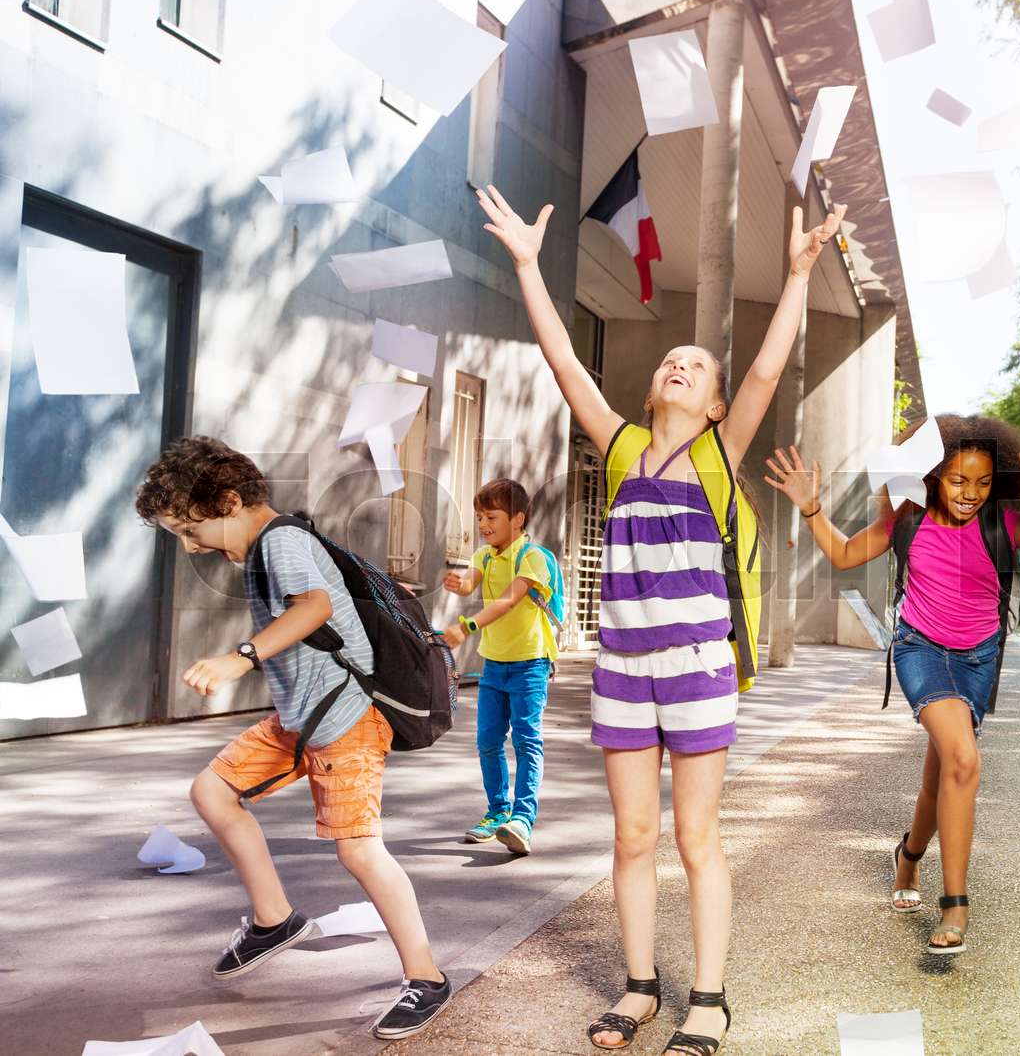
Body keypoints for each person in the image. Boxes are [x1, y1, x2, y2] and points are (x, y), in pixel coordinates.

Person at [476, 183, 844, 1055]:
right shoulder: (622, 442)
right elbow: (566, 360)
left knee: (694, 834)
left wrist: (796, 276)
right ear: (651, 390)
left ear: (714, 403)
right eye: (669, 360)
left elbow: (761, 368)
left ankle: (708, 997)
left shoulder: (718, 446)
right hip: (622, 671)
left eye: (696, 366)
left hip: (697, 669)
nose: (679, 365)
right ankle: (640, 986)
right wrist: (530, 268)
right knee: (634, 835)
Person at [133, 436, 450, 1040]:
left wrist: (239, 658)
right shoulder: (264, 546)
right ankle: (273, 920)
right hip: (301, 717)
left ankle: (427, 977)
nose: (186, 543)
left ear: (229, 501)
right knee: (213, 793)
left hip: (347, 716)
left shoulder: (282, 542)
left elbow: (313, 607)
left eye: (188, 527)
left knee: (358, 848)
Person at [764, 416, 1020, 956]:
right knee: (963, 759)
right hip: (922, 650)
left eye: (983, 483)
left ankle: (909, 856)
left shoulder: (1003, 523)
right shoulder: (907, 521)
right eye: (960, 480)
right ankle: (955, 903)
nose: (971, 494)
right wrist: (811, 508)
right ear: (935, 475)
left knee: (943, 777)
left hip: (980, 658)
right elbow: (844, 555)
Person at [441, 478, 559, 856]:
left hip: (530, 664)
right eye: (479, 517)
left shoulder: (533, 558)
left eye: (491, 516)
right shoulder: (485, 556)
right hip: (495, 665)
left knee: (526, 741)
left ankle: (522, 820)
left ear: (518, 519)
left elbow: (509, 600)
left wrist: (466, 627)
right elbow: (470, 583)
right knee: (488, 742)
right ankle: (497, 812)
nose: (483, 525)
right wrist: (458, 585)